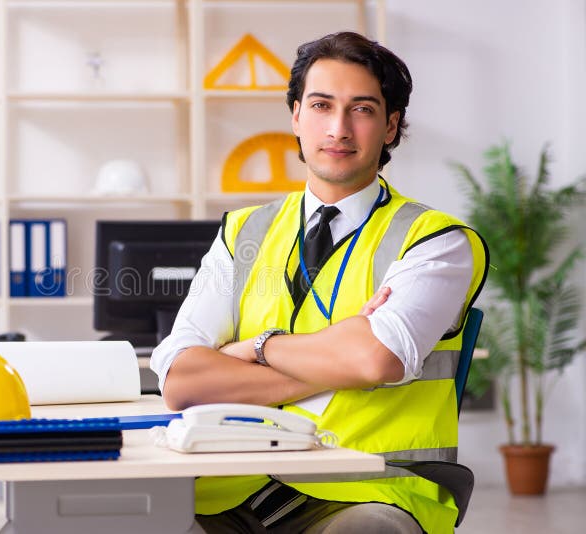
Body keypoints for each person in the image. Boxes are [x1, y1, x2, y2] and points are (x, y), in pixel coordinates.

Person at [150, 31, 488, 533]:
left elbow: (374, 358)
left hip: (367, 488)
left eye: (363, 109)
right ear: (296, 116)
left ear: (391, 126)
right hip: (228, 489)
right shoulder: (244, 232)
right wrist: (342, 356)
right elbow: (181, 383)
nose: (338, 128)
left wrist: (254, 348)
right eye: (322, 105)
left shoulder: (436, 241)